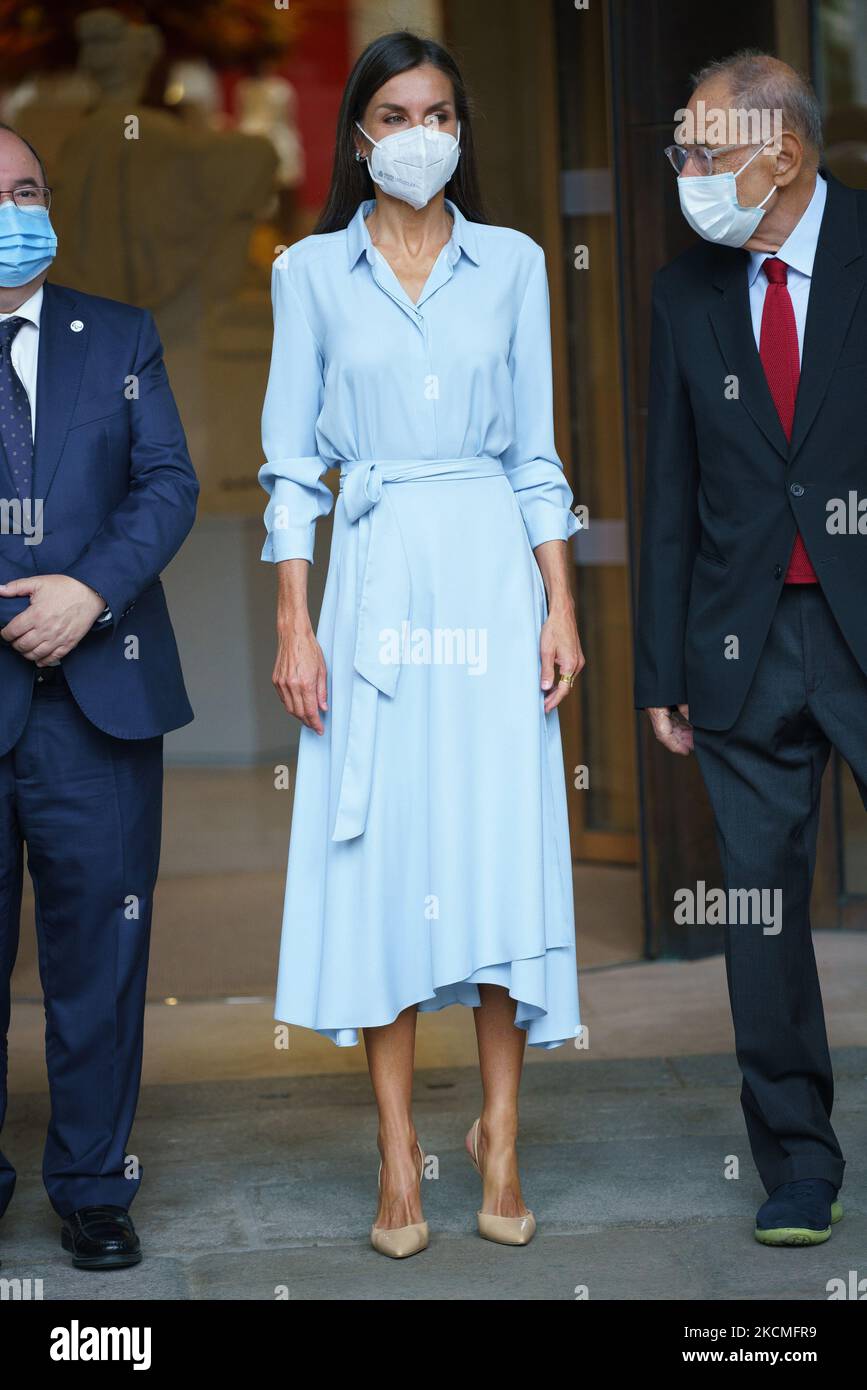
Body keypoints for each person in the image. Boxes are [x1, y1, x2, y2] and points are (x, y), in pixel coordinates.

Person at [259, 32, 583, 1258]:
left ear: (461, 128)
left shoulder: (514, 263)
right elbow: (293, 466)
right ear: (359, 137)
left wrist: (559, 605)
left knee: (494, 842)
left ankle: (501, 1130)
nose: (420, 133)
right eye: (394, 114)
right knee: (387, 857)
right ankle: (400, 1152)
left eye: (440, 111)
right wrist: (296, 620)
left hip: (491, 577)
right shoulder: (308, 272)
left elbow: (537, 456)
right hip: (374, 582)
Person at [635, 51, 867, 1246]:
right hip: (742, 645)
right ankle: (797, 1164)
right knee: (763, 918)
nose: (688, 171)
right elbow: (667, 490)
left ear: (783, 151)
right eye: (683, 149)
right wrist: (662, 674)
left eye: (706, 149)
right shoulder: (689, 294)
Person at [0, 124, 198, 1268]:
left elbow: (168, 481)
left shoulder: (116, 333)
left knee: (99, 962)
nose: (14, 209)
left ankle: (92, 1186)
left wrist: (88, 590)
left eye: (28, 190)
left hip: (101, 699)